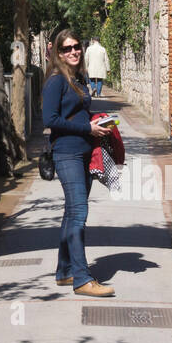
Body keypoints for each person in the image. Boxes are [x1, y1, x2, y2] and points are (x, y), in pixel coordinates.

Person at [41, 29, 115, 298]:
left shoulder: (79, 78)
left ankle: (64, 272)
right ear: (57, 53)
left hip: (85, 152)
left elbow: (79, 113)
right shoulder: (56, 81)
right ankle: (82, 279)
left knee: (71, 213)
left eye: (76, 47)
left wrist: (99, 123)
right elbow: (50, 119)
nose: (73, 52)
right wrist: (87, 128)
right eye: (66, 49)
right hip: (67, 154)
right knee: (79, 213)